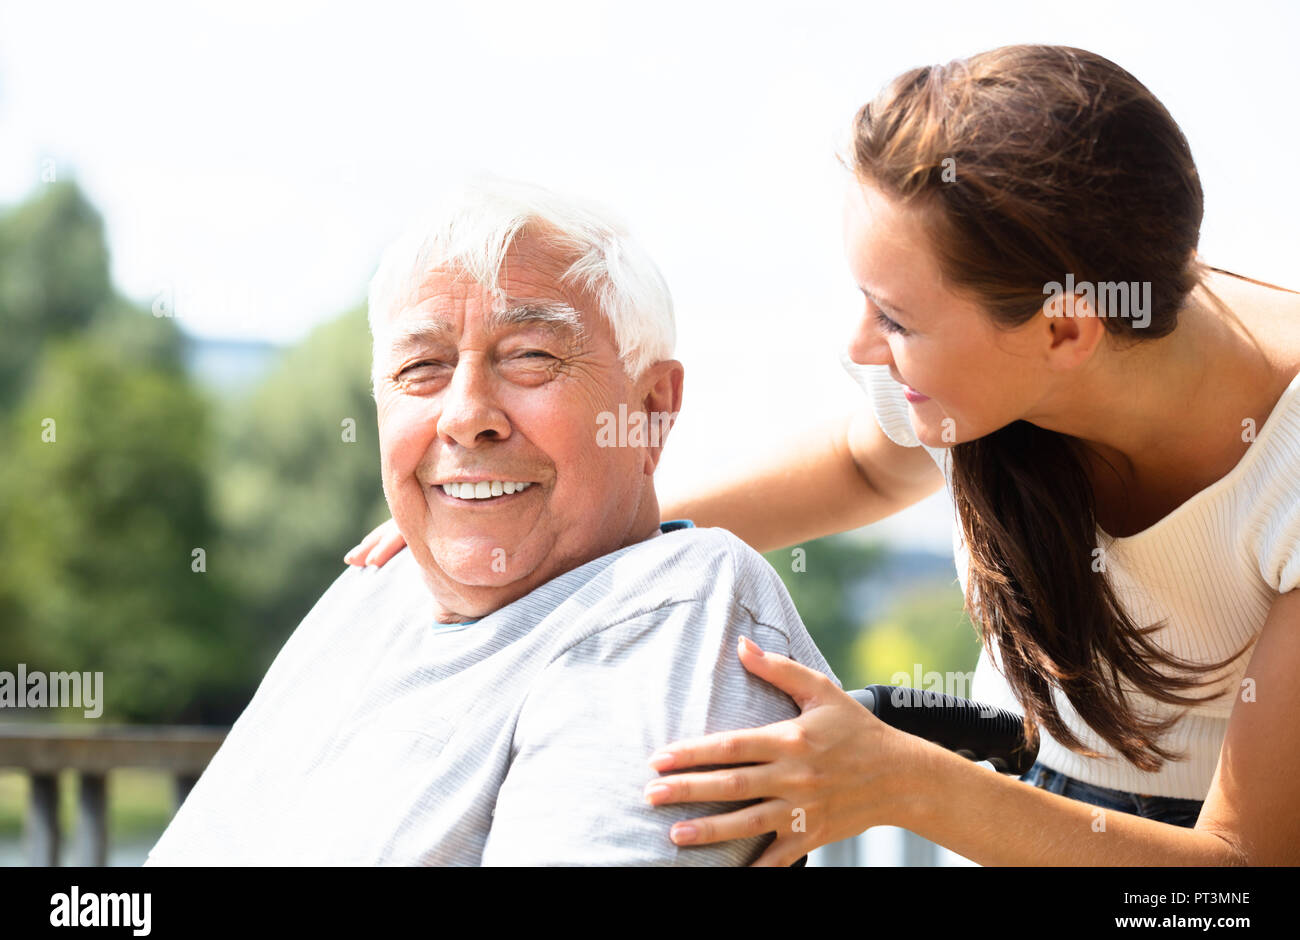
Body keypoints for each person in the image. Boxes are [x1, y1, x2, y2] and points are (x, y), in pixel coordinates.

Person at [348, 45, 1300, 866]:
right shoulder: (993, 354)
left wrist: (906, 785)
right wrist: (537, 516)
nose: (858, 348)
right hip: (1027, 803)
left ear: (1065, 332)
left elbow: (1232, 880)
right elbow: (859, 466)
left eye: (895, 318)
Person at [144, 176, 836, 866]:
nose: (466, 415)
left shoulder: (683, 607)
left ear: (652, 407)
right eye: (422, 367)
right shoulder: (377, 587)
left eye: (531, 357)